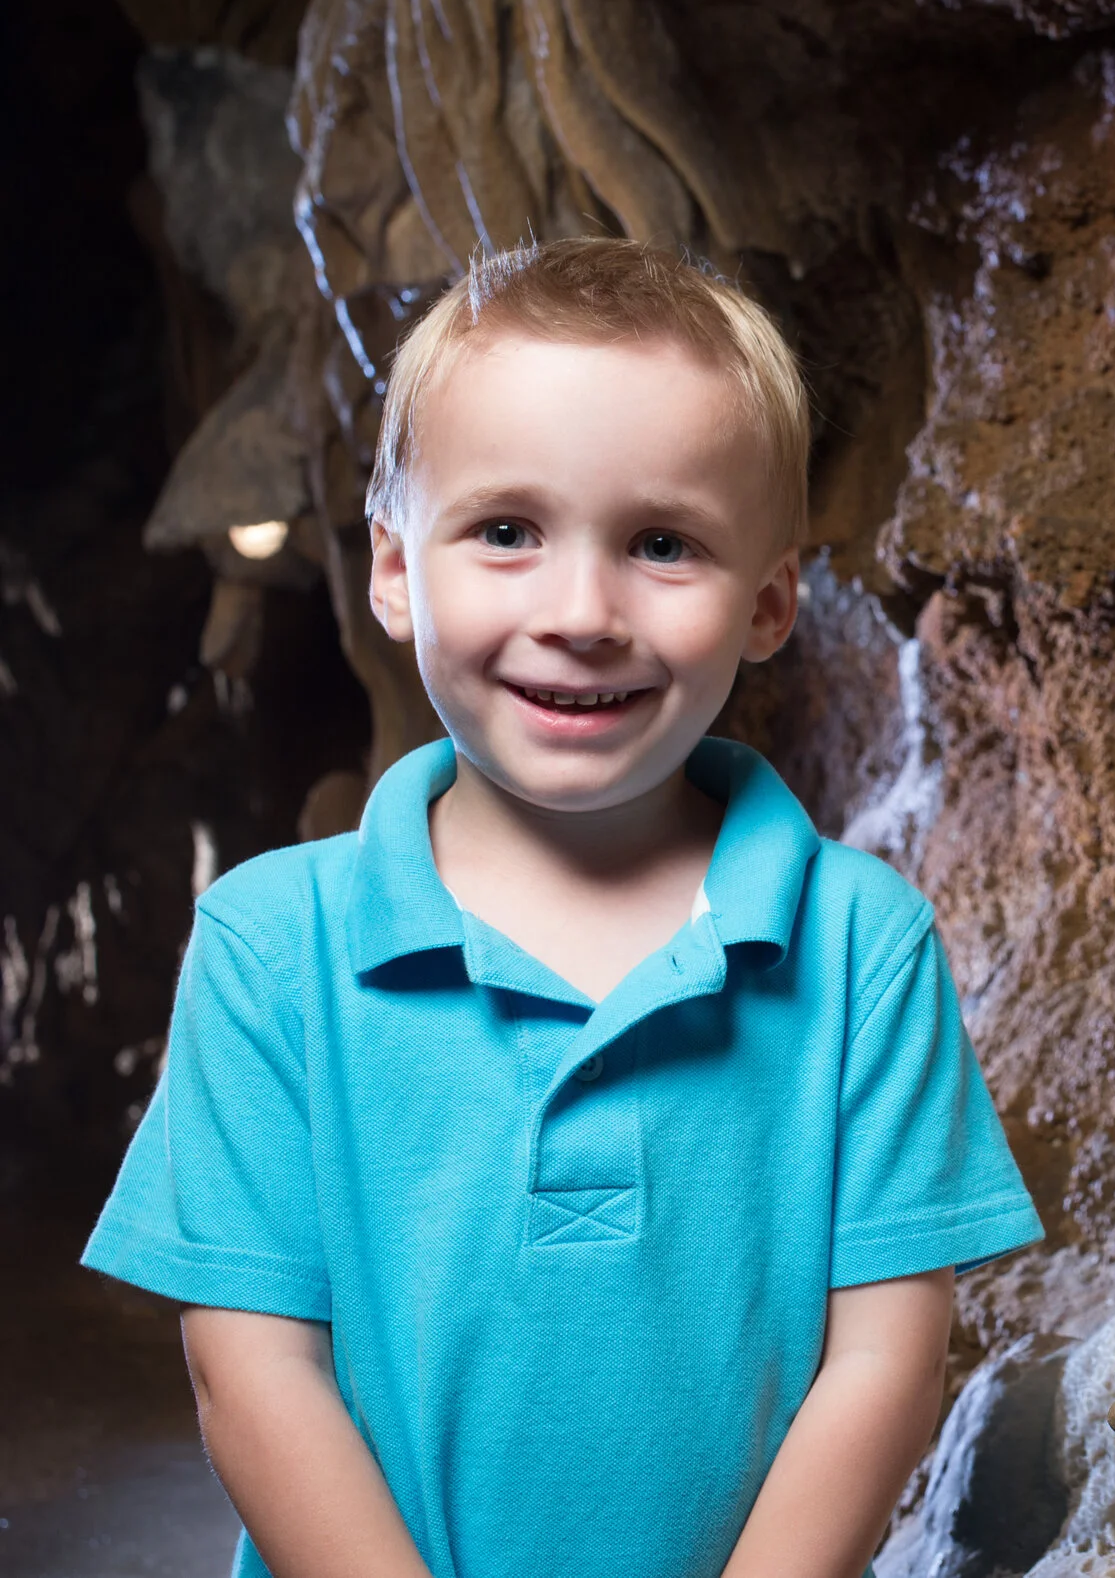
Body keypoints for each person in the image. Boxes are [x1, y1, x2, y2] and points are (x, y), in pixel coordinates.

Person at [83, 237, 1042, 1578]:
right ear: (397, 569)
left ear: (770, 600)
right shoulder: (269, 948)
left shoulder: (862, 946)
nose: (581, 611)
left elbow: (885, 1353)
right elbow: (252, 1369)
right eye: (507, 531)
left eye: (662, 543)